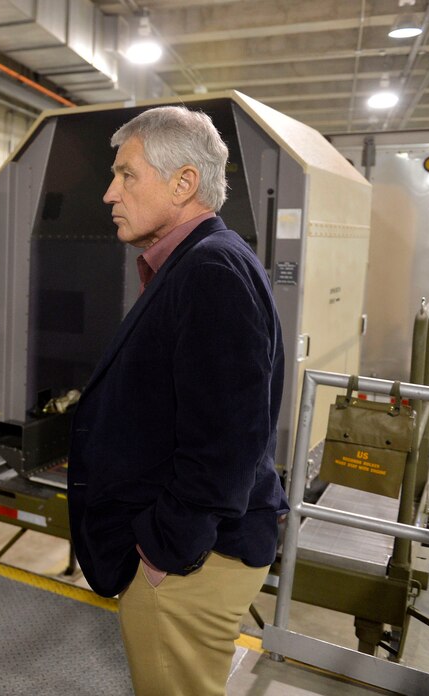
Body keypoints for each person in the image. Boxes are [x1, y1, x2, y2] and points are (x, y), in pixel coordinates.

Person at [67, 106, 289, 696]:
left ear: (183, 182)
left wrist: (164, 551)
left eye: (127, 175)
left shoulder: (211, 270)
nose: (110, 193)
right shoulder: (203, 259)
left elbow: (227, 441)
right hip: (189, 556)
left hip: (190, 566)